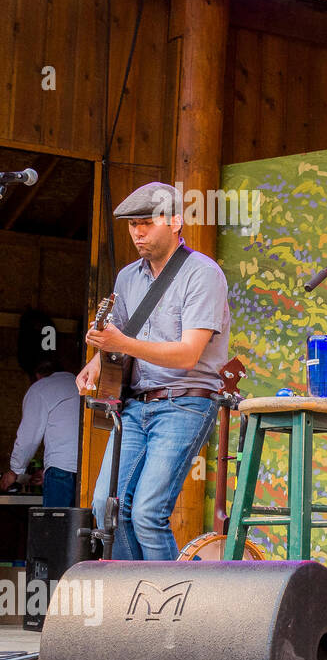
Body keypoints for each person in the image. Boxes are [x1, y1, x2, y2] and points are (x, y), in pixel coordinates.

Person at [76, 182, 230, 561]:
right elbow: (122, 335)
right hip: (135, 405)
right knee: (104, 508)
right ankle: (137, 602)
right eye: (132, 225)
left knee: (147, 513)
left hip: (186, 403)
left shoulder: (202, 274)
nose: (138, 232)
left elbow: (188, 355)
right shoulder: (127, 278)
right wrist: (96, 360)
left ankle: (169, 609)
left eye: (147, 222)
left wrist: (120, 344)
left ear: (176, 221)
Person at [3, 359, 80, 507]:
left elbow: (28, 438)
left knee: (56, 525)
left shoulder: (40, 388)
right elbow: (70, 434)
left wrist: (14, 471)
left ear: (37, 375)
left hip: (60, 471)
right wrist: (45, 471)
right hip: (89, 467)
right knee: (80, 525)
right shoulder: (77, 382)